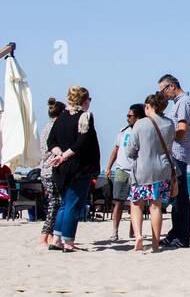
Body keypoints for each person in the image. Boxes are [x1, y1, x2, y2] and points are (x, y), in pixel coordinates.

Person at [46, 86, 100, 253]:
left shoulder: (61, 117)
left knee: (64, 204)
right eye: (89, 100)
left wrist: (59, 155)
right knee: (73, 205)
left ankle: (56, 239)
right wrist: (65, 155)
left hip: (61, 168)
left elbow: (51, 141)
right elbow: (82, 142)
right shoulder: (85, 117)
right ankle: (68, 241)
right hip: (78, 167)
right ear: (84, 101)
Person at [123, 92, 176, 253]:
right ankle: (155, 243)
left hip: (142, 170)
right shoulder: (169, 124)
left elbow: (130, 151)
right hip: (162, 169)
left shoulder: (140, 124)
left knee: (136, 203)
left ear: (149, 106)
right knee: (156, 206)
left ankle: (138, 236)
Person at [157, 75, 190, 248]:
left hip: (179, 154)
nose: (161, 95)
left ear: (171, 86)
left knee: (180, 196)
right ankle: (175, 233)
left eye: (162, 91)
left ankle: (182, 236)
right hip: (176, 154)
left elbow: (182, 130)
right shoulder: (179, 103)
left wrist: (166, 138)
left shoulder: (184, 103)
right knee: (175, 196)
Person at [104, 104, 143, 242]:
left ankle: (134, 231)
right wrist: (108, 167)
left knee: (136, 201)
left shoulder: (142, 131)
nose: (127, 118)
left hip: (137, 170)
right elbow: (115, 149)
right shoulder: (123, 131)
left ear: (137, 117)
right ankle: (115, 231)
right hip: (121, 169)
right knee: (118, 201)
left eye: (130, 116)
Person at [38, 98, 66, 246]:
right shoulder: (55, 128)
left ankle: (48, 235)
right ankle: (45, 235)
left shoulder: (46, 127)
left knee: (54, 203)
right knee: (55, 203)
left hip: (45, 170)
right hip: (51, 170)